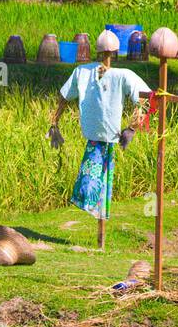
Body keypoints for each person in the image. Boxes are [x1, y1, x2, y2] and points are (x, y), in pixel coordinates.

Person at [49, 30, 151, 250]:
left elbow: (145, 99)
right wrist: (54, 124)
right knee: (92, 186)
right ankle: (100, 238)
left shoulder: (122, 75)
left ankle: (101, 239)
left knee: (98, 185)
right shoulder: (83, 73)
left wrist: (132, 128)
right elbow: (64, 98)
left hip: (108, 139)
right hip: (95, 140)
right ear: (115, 52)